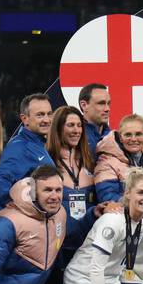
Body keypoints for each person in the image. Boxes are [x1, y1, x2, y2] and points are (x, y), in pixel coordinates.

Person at [0, 94, 54, 216]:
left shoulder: (36, 144)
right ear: (25, 119)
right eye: (40, 115)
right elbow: (0, 183)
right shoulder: (20, 147)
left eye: (49, 114)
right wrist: (17, 210)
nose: (47, 120)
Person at [46, 104, 96, 262]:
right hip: (58, 245)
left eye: (79, 125)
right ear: (58, 128)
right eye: (70, 125)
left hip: (88, 243)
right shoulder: (47, 160)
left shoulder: (90, 160)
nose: (76, 130)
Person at [94, 113, 143, 204]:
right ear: (120, 137)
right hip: (124, 212)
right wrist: (138, 201)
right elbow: (107, 197)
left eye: (138, 134)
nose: (133, 139)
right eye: (128, 135)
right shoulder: (106, 162)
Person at [78, 83, 111, 153]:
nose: (107, 109)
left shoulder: (115, 138)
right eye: (101, 103)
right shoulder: (74, 136)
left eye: (108, 103)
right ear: (84, 105)